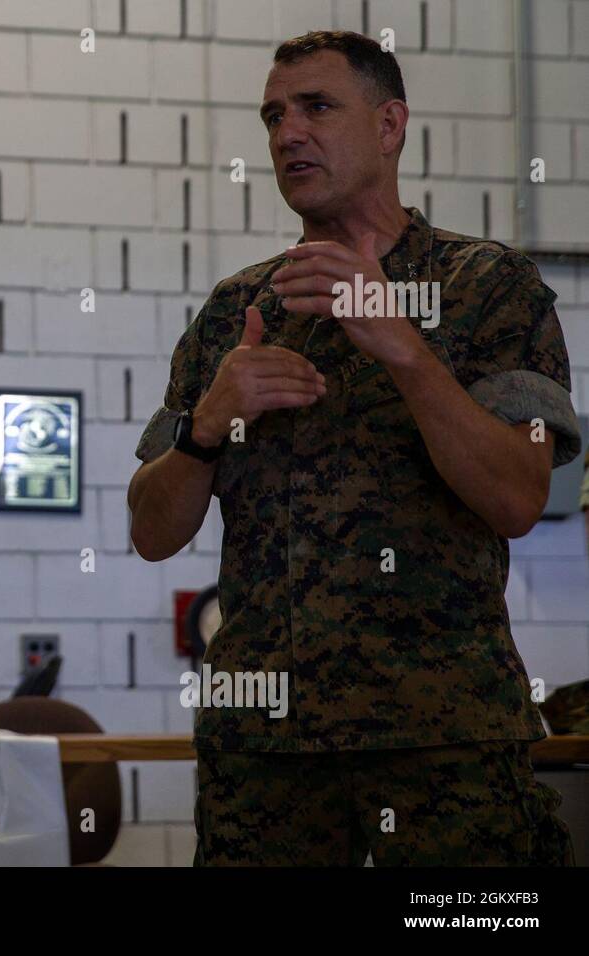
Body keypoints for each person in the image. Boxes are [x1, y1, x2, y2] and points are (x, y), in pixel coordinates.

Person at [128, 31, 580, 866]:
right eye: (273, 116)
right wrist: (206, 427)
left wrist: (404, 347)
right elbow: (152, 533)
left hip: (444, 742)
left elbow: (518, 499)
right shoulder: (234, 311)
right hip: (263, 751)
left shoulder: (487, 286)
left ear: (389, 125)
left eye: (317, 107)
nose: (287, 133)